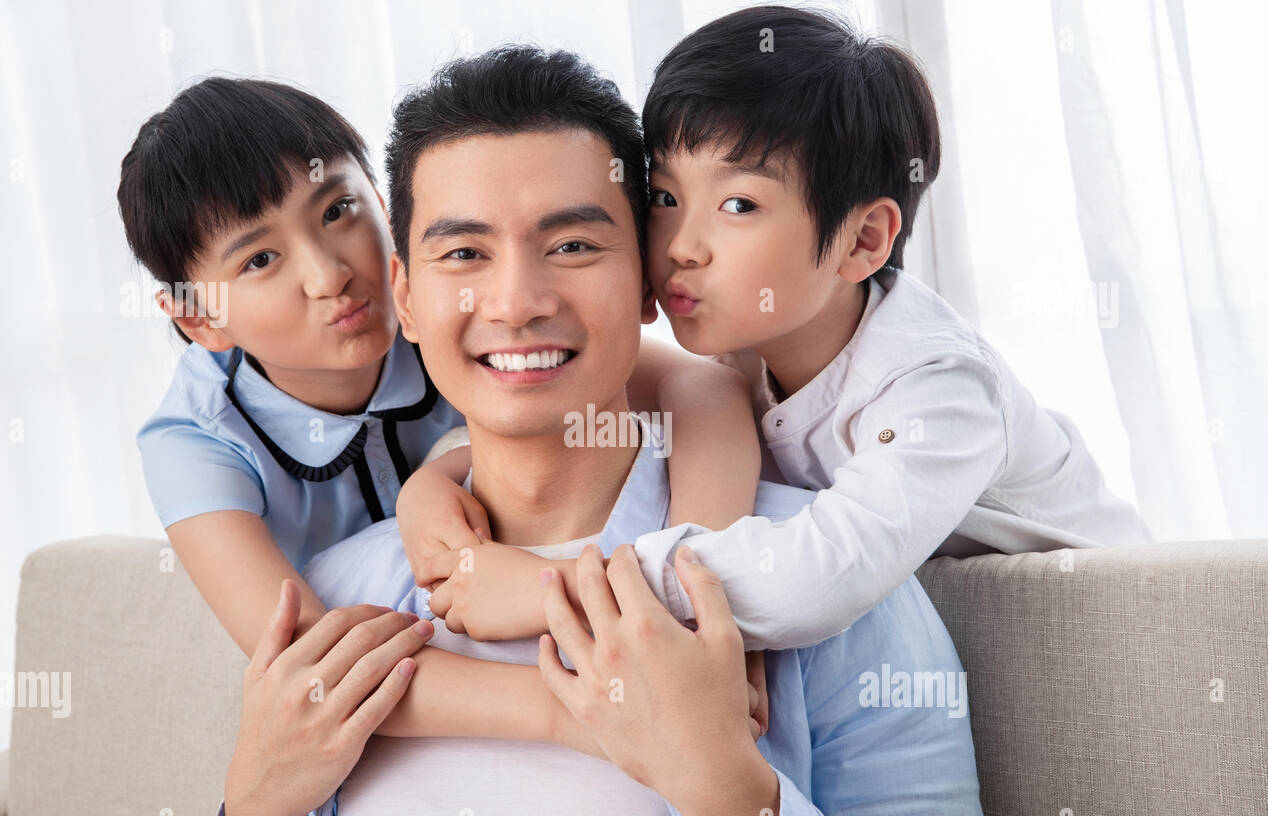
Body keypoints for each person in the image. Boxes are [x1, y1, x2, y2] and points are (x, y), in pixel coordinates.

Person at [208, 44, 995, 816]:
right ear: (405, 296)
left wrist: (732, 799)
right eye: (465, 254)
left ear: (651, 283)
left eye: (574, 246)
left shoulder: (829, 591)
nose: (517, 304)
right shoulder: (338, 606)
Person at [402, 6, 1153, 653]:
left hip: (1105, 636)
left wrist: (555, 590)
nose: (681, 244)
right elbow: (553, 384)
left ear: (863, 241)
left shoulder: (938, 390)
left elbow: (812, 581)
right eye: (664, 196)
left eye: (738, 206)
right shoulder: (738, 338)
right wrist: (434, 480)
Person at [118, 75, 770, 744]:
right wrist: (598, 711)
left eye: (337, 211)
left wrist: (706, 617)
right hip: (397, 685)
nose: (330, 274)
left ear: (379, 202)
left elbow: (704, 390)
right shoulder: (194, 443)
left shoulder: (457, 304)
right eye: (260, 258)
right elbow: (321, 672)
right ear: (199, 319)